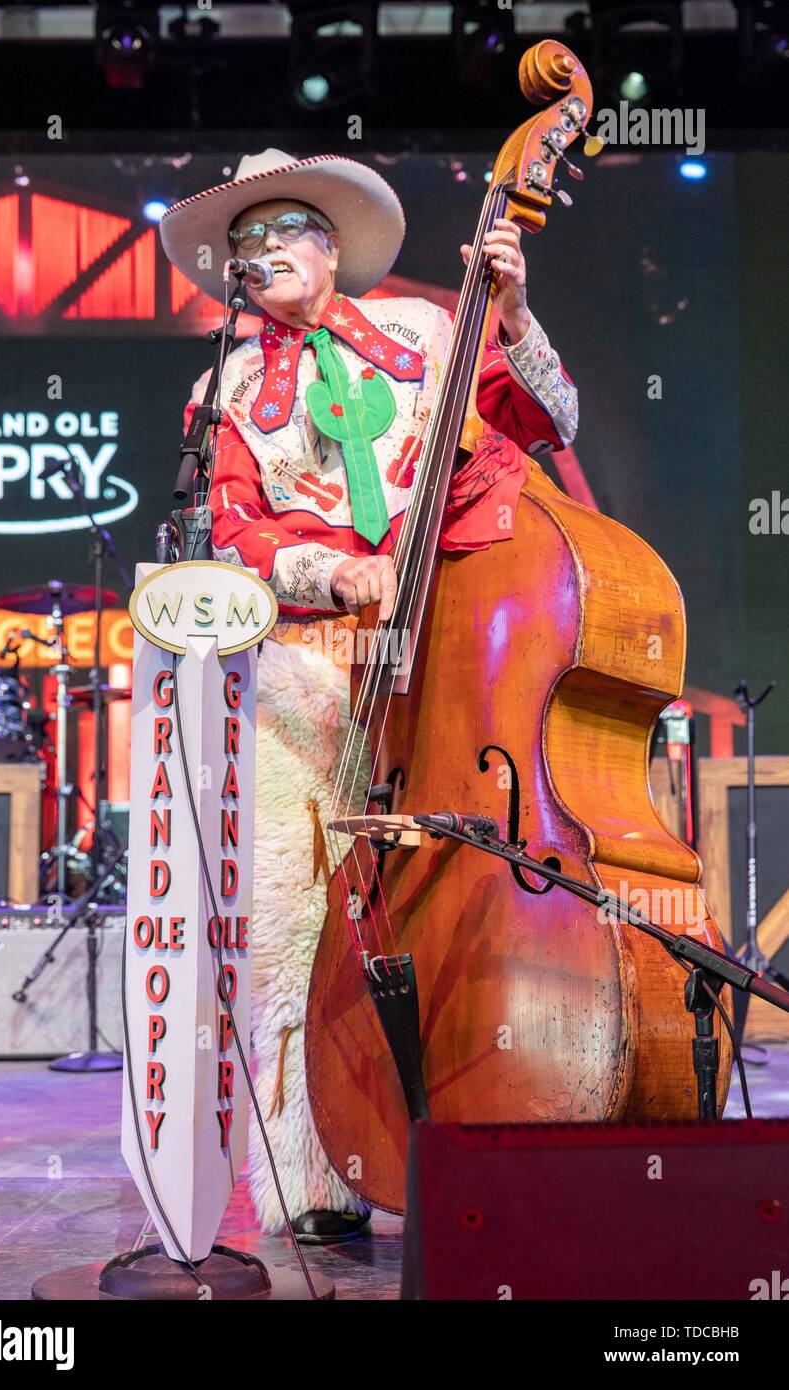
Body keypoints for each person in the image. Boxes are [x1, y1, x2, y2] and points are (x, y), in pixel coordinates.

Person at [160, 148, 577, 1243]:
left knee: (460, 894)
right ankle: (313, 1173)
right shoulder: (223, 392)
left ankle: (494, 1126)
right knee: (295, 919)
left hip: (434, 652)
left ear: (332, 244)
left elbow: (549, 423)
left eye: (284, 230)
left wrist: (516, 308)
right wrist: (329, 571)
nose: (263, 256)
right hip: (298, 670)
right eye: (243, 244)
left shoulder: (431, 333)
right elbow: (229, 544)